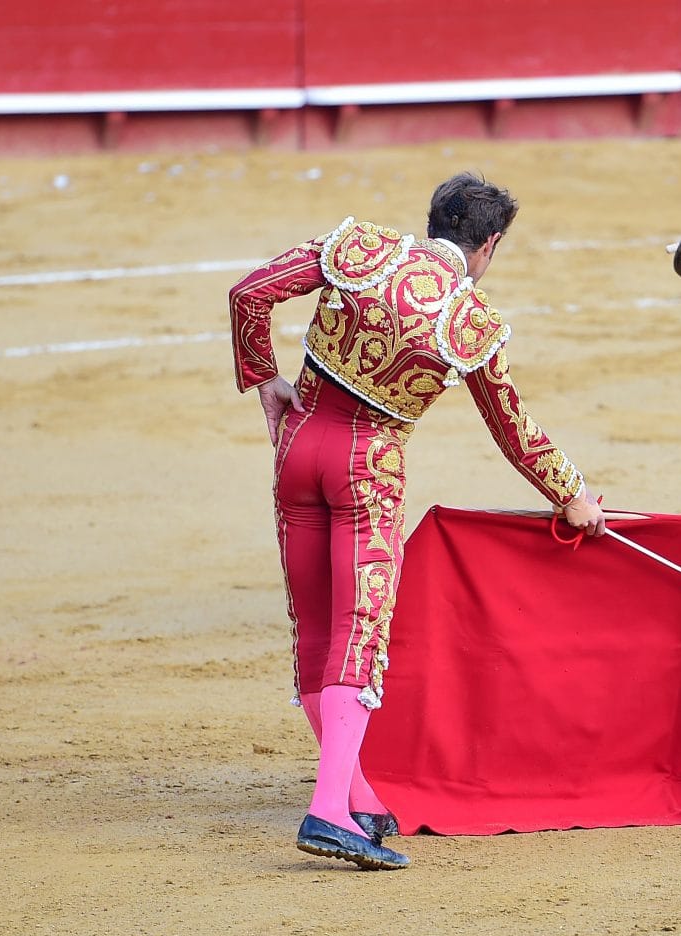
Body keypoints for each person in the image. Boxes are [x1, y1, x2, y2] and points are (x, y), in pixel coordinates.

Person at [228, 172, 606, 870]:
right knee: (356, 631)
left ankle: (357, 796)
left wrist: (263, 377)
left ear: (432, 220)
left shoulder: (361, 247)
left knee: (314, 627)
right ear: (488, 245)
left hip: (296, 450)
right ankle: (327, 811)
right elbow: (515, 433)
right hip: (367, 468)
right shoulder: (470, 320)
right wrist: (572, 496)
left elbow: (248, 293)